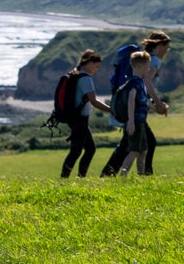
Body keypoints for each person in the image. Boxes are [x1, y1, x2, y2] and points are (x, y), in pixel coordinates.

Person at [100, 31, 172, 176]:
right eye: (166, 47)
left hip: (132, 109)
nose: (167, 50)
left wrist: (153, 105)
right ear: (159, 45)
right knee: (144, 143)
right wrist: (158, 103)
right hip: (135, 112)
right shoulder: (153, 61)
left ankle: (108, 175)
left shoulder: (142, 58)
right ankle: (143, 175)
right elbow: (146, 82)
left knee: (131, 144)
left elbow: (141, 91)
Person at [60, 49, 112, 178]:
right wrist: (112, 110)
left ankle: (73, 178)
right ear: (89, 63)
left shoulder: (75, 74)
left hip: (74, 118)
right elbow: (94, 101)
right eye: (96, 66)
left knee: (84, 149)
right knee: (80, 150)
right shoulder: (86, 78)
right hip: (80, 119)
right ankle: (72, 178)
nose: (96, 70)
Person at [118, 51, 153, 176]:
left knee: (143, 151)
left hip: (140, 121)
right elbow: (131, 99)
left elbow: (142, 101)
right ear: (139, 66)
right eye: (147, 66)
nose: (148, 69)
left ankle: (141, 176)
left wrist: (155, 107)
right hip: (136, 121)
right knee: (134, 151)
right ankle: (123, 176)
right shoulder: (135, 82)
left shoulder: (138, 82)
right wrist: (131, 121)